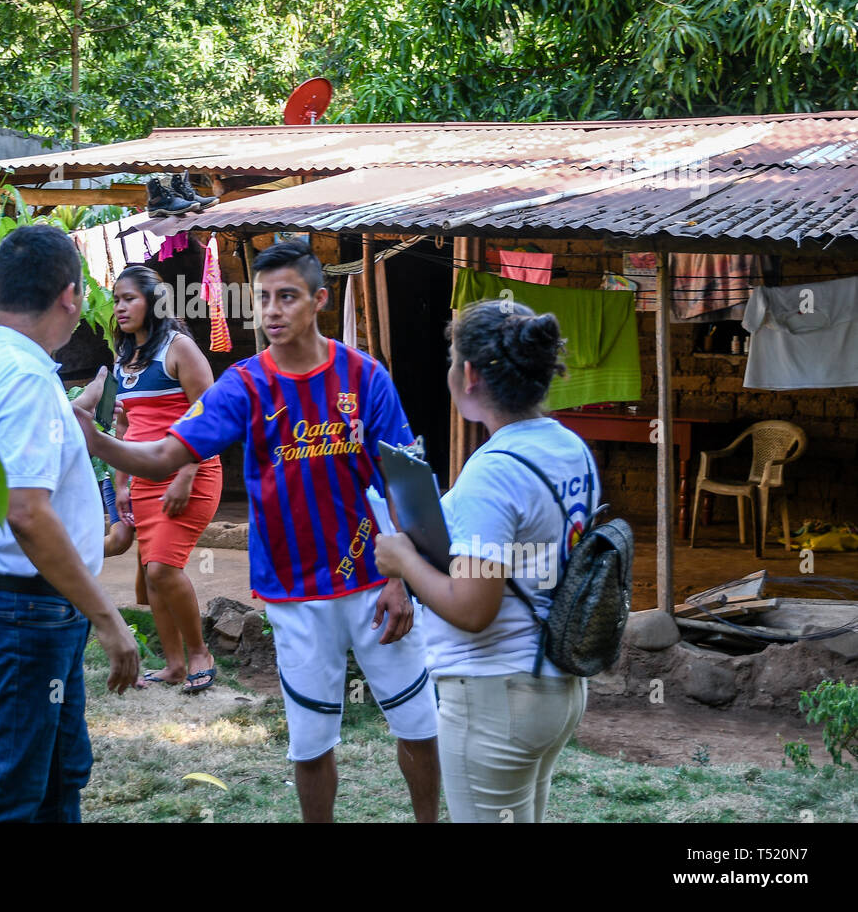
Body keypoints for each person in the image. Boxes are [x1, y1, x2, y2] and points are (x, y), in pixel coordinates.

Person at [74, 241, 439, 823]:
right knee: (312, 742)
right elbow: (169, 451)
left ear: (320, 300)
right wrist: (98, 442)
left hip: (374, 583)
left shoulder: (365, 377)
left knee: (418, 726)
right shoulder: (243, 384)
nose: (271, 311)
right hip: (294, 595)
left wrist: (405, 576)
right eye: (263, 298)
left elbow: (405, 482)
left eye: (286, 297)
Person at [0, 224, 140, 824]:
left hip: (17, 606)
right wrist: (108, 617)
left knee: (56, 779)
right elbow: (25, 512)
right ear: (70, 296)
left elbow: (4, 464)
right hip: (25, 613)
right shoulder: (26, 379)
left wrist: (67, 419)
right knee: (9, 799)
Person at [373, 299, 597, 823]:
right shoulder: (571, 448)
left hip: (495, 696)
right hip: (556, 686)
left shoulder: (493, 472)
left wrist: (405, 560)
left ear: (468, 374)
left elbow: (474, 608)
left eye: (453, 359)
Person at [109, 264, 223, 692]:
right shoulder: (123, 359)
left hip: (189, 474)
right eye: (117, 299)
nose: (120, 307)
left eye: (129, 299)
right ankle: (174, 665)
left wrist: (187, 473)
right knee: (151, 572)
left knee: (161, 567)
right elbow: (125, 430)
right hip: (142, 481)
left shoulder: (180, 349)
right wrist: (121, 485)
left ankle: (199, 654)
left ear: (153, 302)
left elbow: (209, 416)